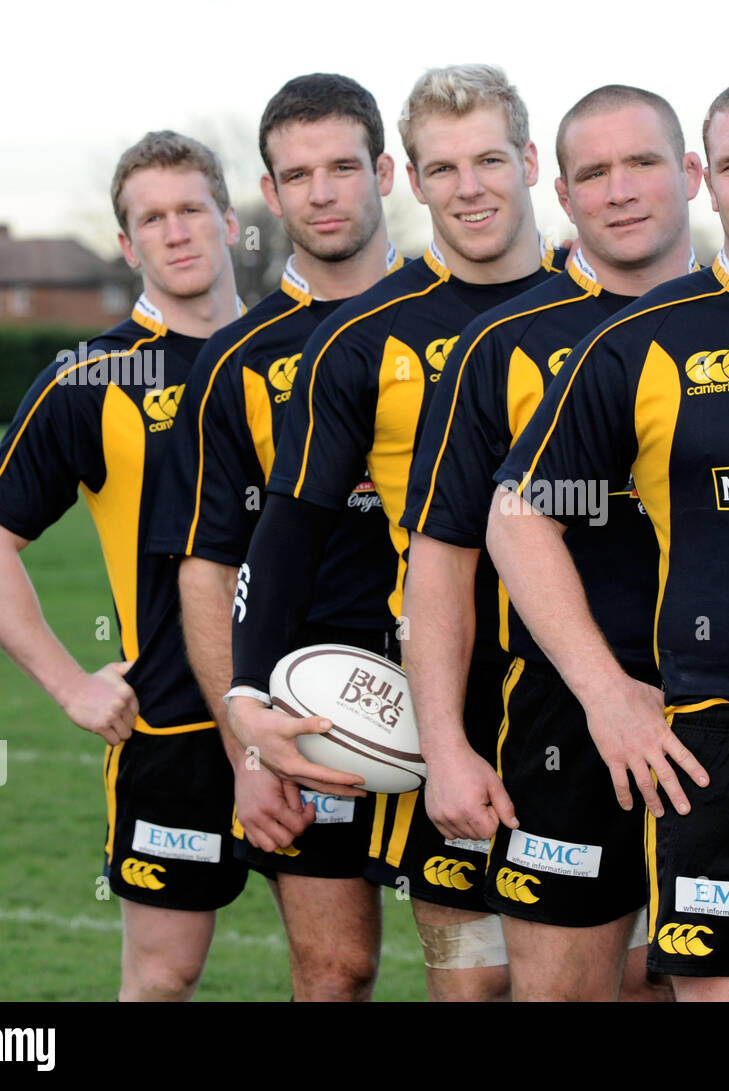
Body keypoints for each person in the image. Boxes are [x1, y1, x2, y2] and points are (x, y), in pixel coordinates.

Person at [486, 75, 729, 1001]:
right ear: (709, 179)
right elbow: (517, 516)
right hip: (723, 747)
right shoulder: (644, 340)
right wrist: (606, 691)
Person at [225, 64, 563, 1002]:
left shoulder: (612, 315)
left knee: (634, 978)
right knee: (475, 983)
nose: (471, 187)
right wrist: (249, 699)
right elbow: (284, 535)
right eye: (443, 168)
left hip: (602, 694)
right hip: (442, 702)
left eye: (490, 158)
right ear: (411, 180)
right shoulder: (364, 339)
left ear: (530, 162)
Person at [400, 84, 702, 1001]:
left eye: (643, 163)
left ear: (690, 176)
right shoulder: (500, 346)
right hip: (559, 737)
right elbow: (440, 562)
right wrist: (446, 745)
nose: (620, 190)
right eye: (595, 173)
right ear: (562, 194)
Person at [0, 131, 246, 1001]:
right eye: (152, 218)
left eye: (192, 208)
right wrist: (69, 683)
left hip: (320, 716)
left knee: (338, 968)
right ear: (128, 245)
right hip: (172, 733)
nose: (178, 231)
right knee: (162, 978)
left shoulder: (306, 353)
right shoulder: (92, 377)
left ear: (230, 220)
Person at [146, 74, 403, 1001]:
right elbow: (205, 571)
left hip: (466, 702)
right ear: (271, 194)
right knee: (334, 970)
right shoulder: (235, 360)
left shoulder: (463, 325)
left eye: (343, 166)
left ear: (385, 171)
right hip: (311, 711)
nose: (324, 192)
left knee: (488, 975)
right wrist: (246, 746)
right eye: (298, 175)